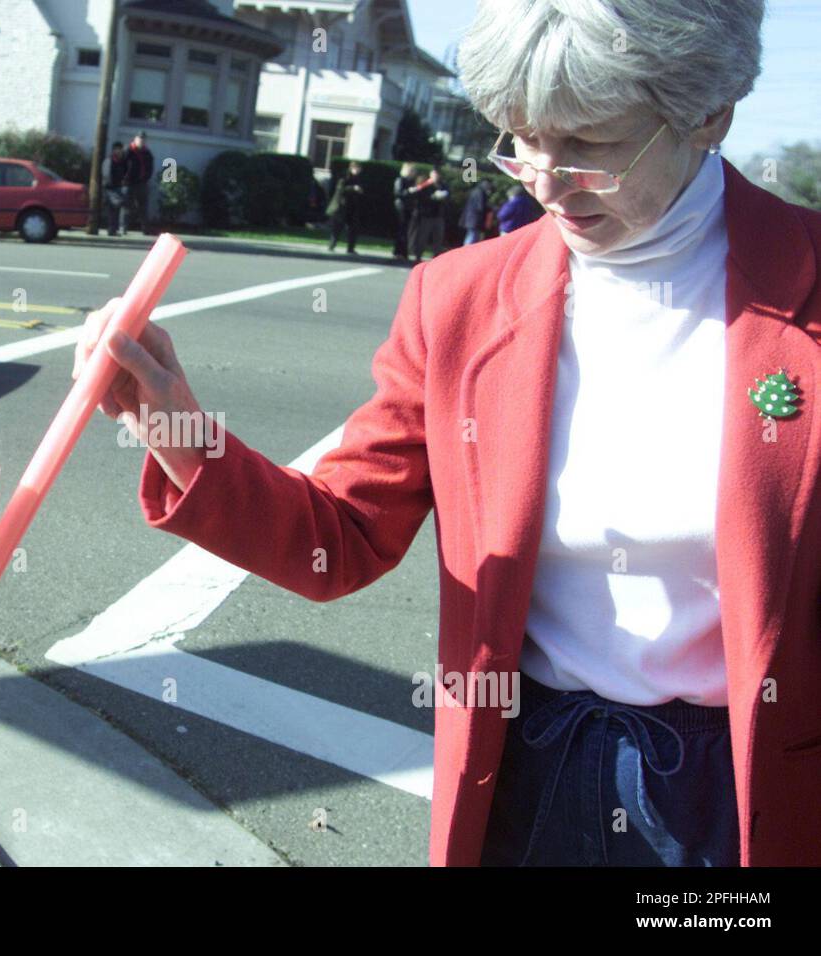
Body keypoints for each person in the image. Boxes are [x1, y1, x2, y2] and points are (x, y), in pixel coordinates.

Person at [75, 0, 821, 867]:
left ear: (710, 113)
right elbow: (340, 539)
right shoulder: (457, 298)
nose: (544, 179)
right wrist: (170, 421)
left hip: (739, 794)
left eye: (590, 144)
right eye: (521, 139)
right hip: (520, 771)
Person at [407, 169, 449, 260]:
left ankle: (436, 256)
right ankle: (418, 255)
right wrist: (433, 197)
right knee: (423, 237)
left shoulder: (443, 185)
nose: (436, 177)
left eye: (437, 175)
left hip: (438, 215)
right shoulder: (426, 185)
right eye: (434, 175)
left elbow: (447, 197)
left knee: (438, 237)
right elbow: (421, 197)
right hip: (427, 215)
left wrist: (443, 196)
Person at [326, 160, 364, 254]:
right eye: (357, 168)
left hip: (353, 206)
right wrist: (353, 188)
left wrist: (359, 190)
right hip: (342, 205)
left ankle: (351, 248)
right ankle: (332, 245)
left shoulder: (358, 178)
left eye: (359, 169)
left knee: (353, 227)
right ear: (352, 168)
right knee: (337, 226)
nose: (358, 170)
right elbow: (340, 189)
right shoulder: (344, 177)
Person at [122, 131, 155, 235]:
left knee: (143, 207)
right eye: (140, 139)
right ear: (135, 139)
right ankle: (123, 228)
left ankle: (145, 229)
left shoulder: (147, 153)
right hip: (129, 183)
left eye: (143, 139)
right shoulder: (128, 151)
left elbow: (150, 168)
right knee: (127, 206)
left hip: (142, 183)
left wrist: (146, 178)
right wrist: (124, 178)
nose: (142, 141)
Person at [101, 141, 129, 237]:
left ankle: (113, 230)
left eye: (121, 149)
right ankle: (111, 229)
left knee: (116, 210)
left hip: (117, 188)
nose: (120, 151)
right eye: (118, 149)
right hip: (110, 189)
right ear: (114, 150)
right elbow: (107, 175)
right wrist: (112, 187)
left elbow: (125, 172)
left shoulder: (121, 161)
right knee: (112, 210)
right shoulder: (109, 160)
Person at [393, 162, 418, 258]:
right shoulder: (400, 180)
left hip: (408, 207)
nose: (411, 173)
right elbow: (398, 193)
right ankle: (398, 251)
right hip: (401, 207)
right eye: (410, 171)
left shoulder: (411, 181)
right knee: (401, 229)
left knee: (406, 230)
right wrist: (408, 191)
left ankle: (403, 251)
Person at [461, 179, 493, 245]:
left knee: (471, 236)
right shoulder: (481, 193)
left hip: (470, 218)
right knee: (472, 238)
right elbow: (481, 207)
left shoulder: (475, 191)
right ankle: (466, 252)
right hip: (475, 220)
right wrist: (490, 208)